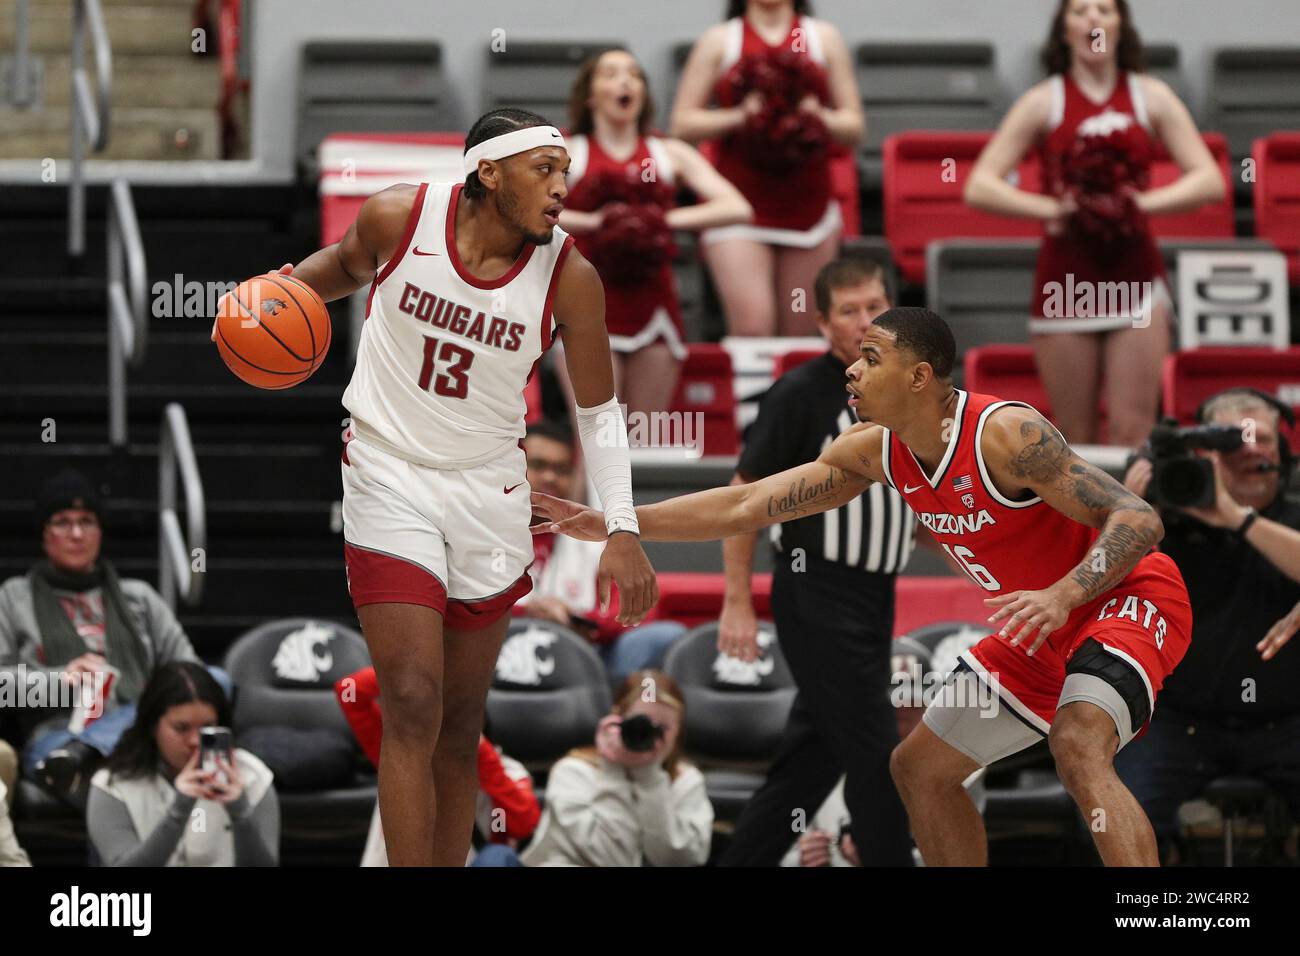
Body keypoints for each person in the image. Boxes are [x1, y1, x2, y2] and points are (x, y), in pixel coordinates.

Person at [533, 306, 1195, 867]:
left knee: (1077, 744)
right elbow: (748, 505)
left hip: (1123, 598)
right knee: (919, 772)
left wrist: (1062, 595)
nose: (852, 367)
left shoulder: (1007, 435)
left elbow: (1139, 518)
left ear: (919, 376)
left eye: (871, 356)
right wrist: (619, 521)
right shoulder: (873, 449)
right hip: (1038, 629)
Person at [210, 108, 658, 866]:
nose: (561, 189)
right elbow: (340, 269)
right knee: (411, 701)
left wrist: (623, 525)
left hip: (488, 491)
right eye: (543, 171)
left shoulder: (571, 278)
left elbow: (598, 411)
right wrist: (261, 302)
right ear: (489, 172)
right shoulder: (400, 216)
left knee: (457, 725)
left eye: (566, 174)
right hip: (388, 472)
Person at [718, 257, 915, 866]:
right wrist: (737, 602)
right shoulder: (801, 394)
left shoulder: (907, 393)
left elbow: (913, 502)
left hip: (876, 594)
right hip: (817, 591)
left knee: (812, 761)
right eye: (849, 311)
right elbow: (741, 494)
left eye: (874, 307)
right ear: (823, 322)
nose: (864, 323)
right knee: (879, 754)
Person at [964, 0, 1225, 447]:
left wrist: (1142, 203)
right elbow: (978, 186)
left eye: (1105, 9)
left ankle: (1132, 520)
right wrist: (1052, 210)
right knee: (1073, 438)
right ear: (1063, 30)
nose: (1093, 19)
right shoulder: (1044, 99)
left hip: (1136, 279)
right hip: (1066, 280)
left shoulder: (1152, 95)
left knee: (1133, 431)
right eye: (1080, 10)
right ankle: (1082, 521)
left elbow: (1210, 180)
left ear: (1121, 25)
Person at [1116, 388, 1300, 860]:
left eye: (1263, 438)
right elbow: (1087, 580)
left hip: (1289, 720)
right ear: (1205, 455)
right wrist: (1122, 511)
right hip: (1178, 719)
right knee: (1116, 815)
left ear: (1282, 451)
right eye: (1236, 441)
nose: (1253, 449)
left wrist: (1237, 518)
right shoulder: (1163, 510)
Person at [559, 46, 751, 416]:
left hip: (656, 311)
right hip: (588, 305)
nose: (624, 81)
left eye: (633, 74)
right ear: (589, 95)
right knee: (597, 444)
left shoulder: (669, 153)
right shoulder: (570, 152)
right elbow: (532, 211)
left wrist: (658, 220)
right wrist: (597, 223)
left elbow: (737, 207)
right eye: (611, 73)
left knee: (645, 444)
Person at [0, 469, 203, 808]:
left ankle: (93, 748)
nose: (77, 533)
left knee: (218, 680)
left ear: (100, 532)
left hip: (142, 733)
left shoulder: (139, 598)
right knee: (119, 787)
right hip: (60, 739)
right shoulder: (13, 598)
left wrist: (153, 707)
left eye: (87, 521)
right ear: (43, 534)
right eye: (62, 522)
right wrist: (61, 679)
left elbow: (190, 675)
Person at [670, 0, 863, 337]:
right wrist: (740, 115)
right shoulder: (720, 40)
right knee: (753, 325)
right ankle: (753, 392)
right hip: (739, 209)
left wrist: (817, 114)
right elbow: (682, 124)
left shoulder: (824, 38)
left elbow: (854, 128)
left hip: (809, 211)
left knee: (802, 329)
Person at [515, 419, 686, 685]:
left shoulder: (592, 533)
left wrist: (576, 620)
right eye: (538, 466)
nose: (550, 477)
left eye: (561, 469)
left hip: (581, 651)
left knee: (664, 635)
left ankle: (606, 717)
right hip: (503, 644)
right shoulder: (483, 528)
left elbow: (640, 610)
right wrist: (527, 613)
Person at [334, 665, 539, 867]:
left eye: (449, 715)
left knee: (499, 856)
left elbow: (524, 824)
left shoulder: (506, 769)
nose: (441, 722)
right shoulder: (402, 758)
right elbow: (349, 691)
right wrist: (426, 670)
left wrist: (475, 750)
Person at [86, 661, 279, 867]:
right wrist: (178, 812)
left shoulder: (252, 779)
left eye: (207, 728)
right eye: (181, 728)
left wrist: (240, 813)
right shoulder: (113, 785)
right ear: (153, 726)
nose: (195, 741)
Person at [521, 670, 712, 866]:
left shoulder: (686, 781)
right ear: (617, 720)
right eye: (641, 724)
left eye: (662, 728)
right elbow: (611, 860)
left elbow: (678, 861)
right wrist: (613, 770)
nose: (649, 736)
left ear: (679, 731)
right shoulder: (573, 772)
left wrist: (650, 779)